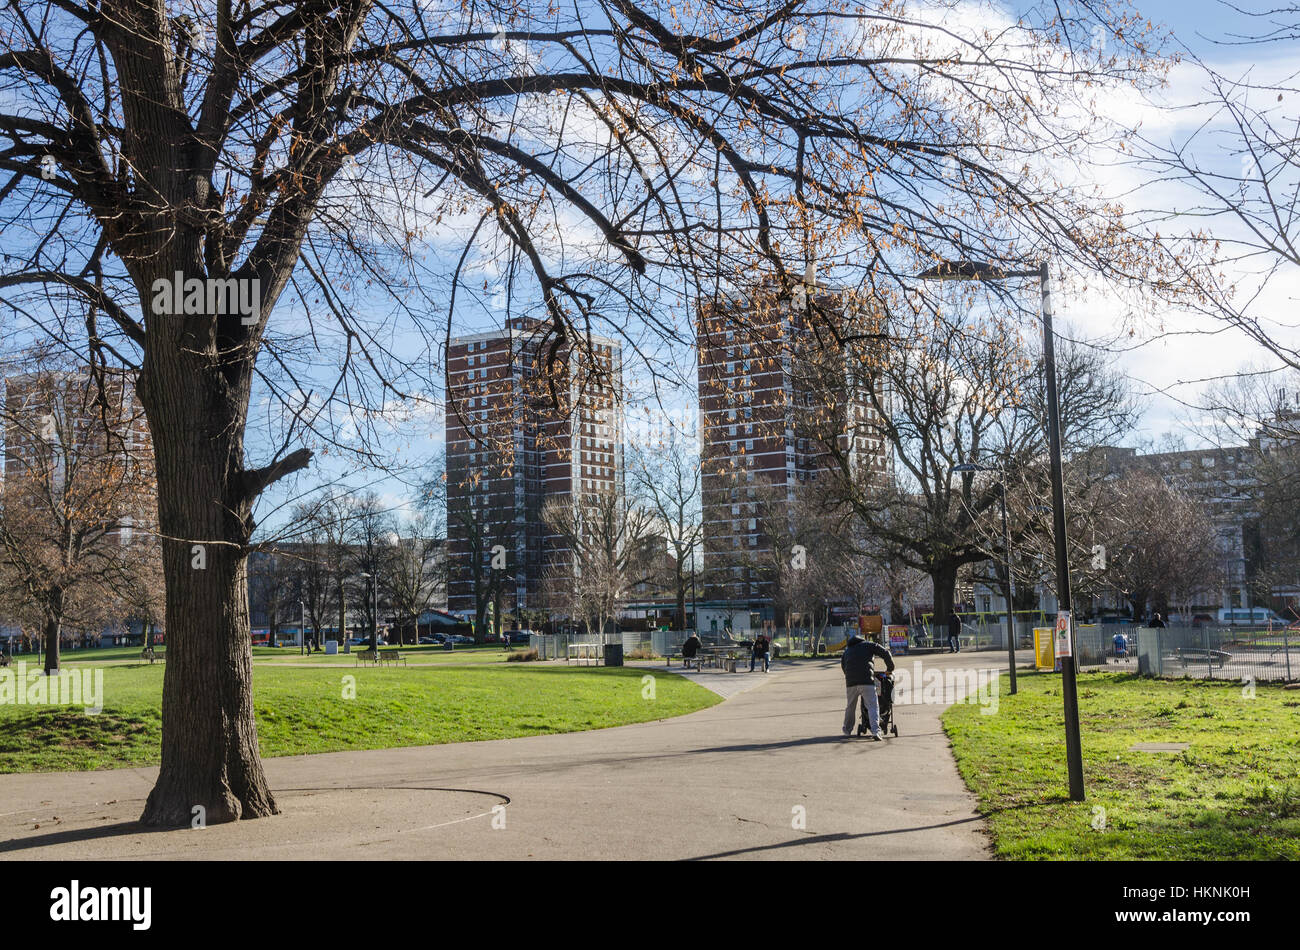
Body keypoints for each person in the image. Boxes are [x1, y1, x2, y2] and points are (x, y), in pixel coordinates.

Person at [841, 634, 895, 740]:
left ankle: (847, 730)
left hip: (851, 682)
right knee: (872, 706)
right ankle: (876, 731)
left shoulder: (847, 651)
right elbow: (885, 652)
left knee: (850, 707)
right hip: (866, 680)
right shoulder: (868, 645)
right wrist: (890, 668)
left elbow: (843, 666)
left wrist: (849, 676)